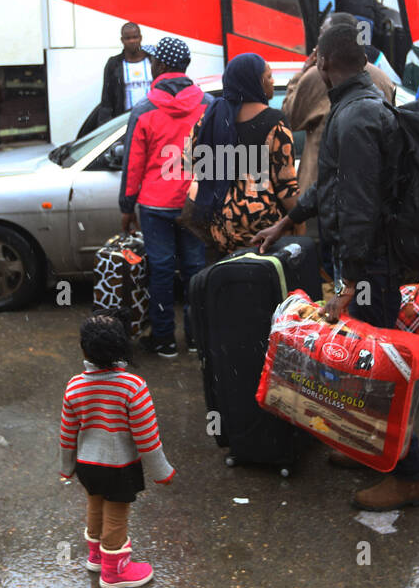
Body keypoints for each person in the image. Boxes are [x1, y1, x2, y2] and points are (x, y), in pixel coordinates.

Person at [255, 20, 419, 512]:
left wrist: (350, 282)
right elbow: (329, 187)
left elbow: (359, 206)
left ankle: (411, 476)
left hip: (369, 267)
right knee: (366, 366)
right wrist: (286, 220)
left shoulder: (355, 118)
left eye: (315, 53)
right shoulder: (351, 107)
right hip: (366, 262)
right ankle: (376, 453)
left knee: (381, 369)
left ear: (322, 59)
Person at [59, 312, 175, 588]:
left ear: (84, 348)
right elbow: (147, 439)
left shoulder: (74, 386)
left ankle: (96, 556)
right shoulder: (132, 387)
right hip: (119, 467)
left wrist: (66, 467)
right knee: (116, 513)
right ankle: (115, 572)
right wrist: (162, 471)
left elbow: (67, 436)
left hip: (87, 465)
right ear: (123, 347)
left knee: (95, 504)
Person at [119, 37, 210, 357]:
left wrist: (126, 207)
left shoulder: (144, 109)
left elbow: (133, 165)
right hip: (194, 201)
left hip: (156, 204)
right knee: (195, 269)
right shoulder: (208, 106)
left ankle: (164, 340)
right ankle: (198, 338)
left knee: (159, 271)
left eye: (154, 60)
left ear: (161, 66)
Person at [187, 53, 300, 254]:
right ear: (255, 81)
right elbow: (286, 186)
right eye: (269, 76)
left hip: (220, 224)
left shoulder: (211, 118)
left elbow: (191, 162)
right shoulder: (274, 121)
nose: (272, 82)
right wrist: (299, 223)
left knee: (233, 280)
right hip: (263, 226)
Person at [284, 12, 395, 199]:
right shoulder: (383, 79)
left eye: (322, 34)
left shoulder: (315, 75)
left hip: (318, 194)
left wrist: (301, 74)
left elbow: (289, 119)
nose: (318, 40)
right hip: (368, 193)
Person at [79, 23, 154, 136]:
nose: (132, 41)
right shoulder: (114, 64)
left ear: (141, 38)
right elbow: (107, 101)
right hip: (127, 125)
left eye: (135, 37)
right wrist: (105, 130)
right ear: (122, 40)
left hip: (153, 122)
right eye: (128, 38)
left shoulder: (153, 61)